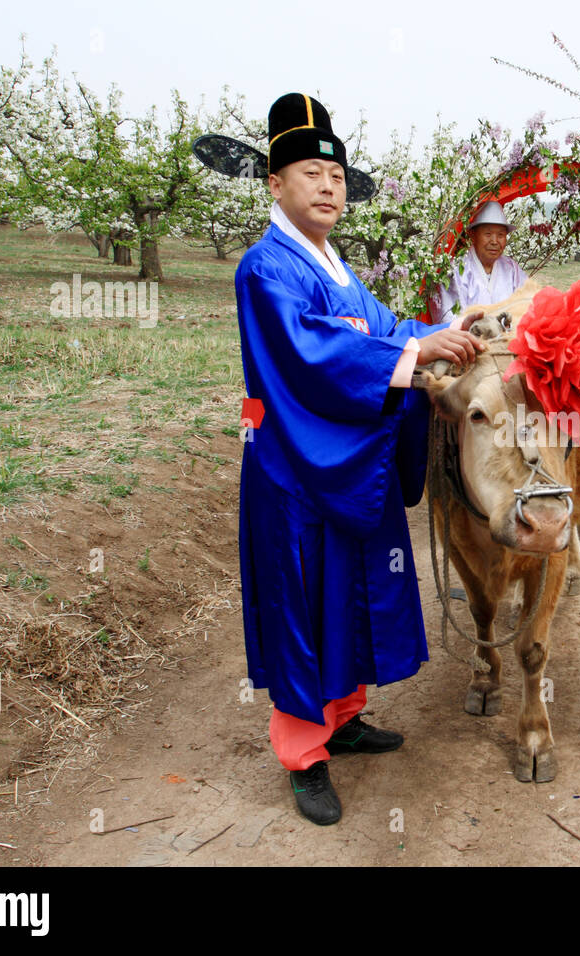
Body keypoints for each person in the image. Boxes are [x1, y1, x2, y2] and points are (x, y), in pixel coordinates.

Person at [235, 93, 485, 825]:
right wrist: (413, 353)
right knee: (302, 602)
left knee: (347, 592)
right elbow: (312, 355)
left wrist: (445, 329)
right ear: (275, 183)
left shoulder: (335, 265)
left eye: (337, 176)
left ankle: (341, 718)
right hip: (294, 470)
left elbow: (383, 329)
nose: (327, 187)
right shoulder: (265, 267)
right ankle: (302, 754)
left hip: (346, 464)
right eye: (310, 174)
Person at [430, 200, 528, 320]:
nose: (494, 241)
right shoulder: (457, 269)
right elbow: (449, 319)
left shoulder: (511, 268)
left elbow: (526, 304)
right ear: (473, 235)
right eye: (488, 234)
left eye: (500, 235)